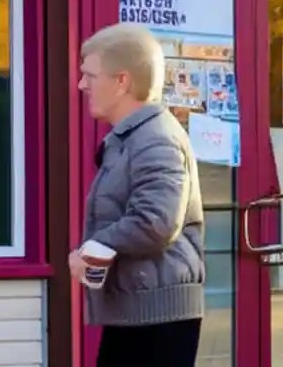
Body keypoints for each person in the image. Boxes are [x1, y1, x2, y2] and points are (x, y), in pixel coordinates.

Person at [68, 23, 205, 367]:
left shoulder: (156, 138)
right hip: (139, 313)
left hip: (157, 320)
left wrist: (91, 250)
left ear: (122, 81)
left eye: (90, 75)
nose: (81, 85)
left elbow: (156, 221)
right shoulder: (133, 138)